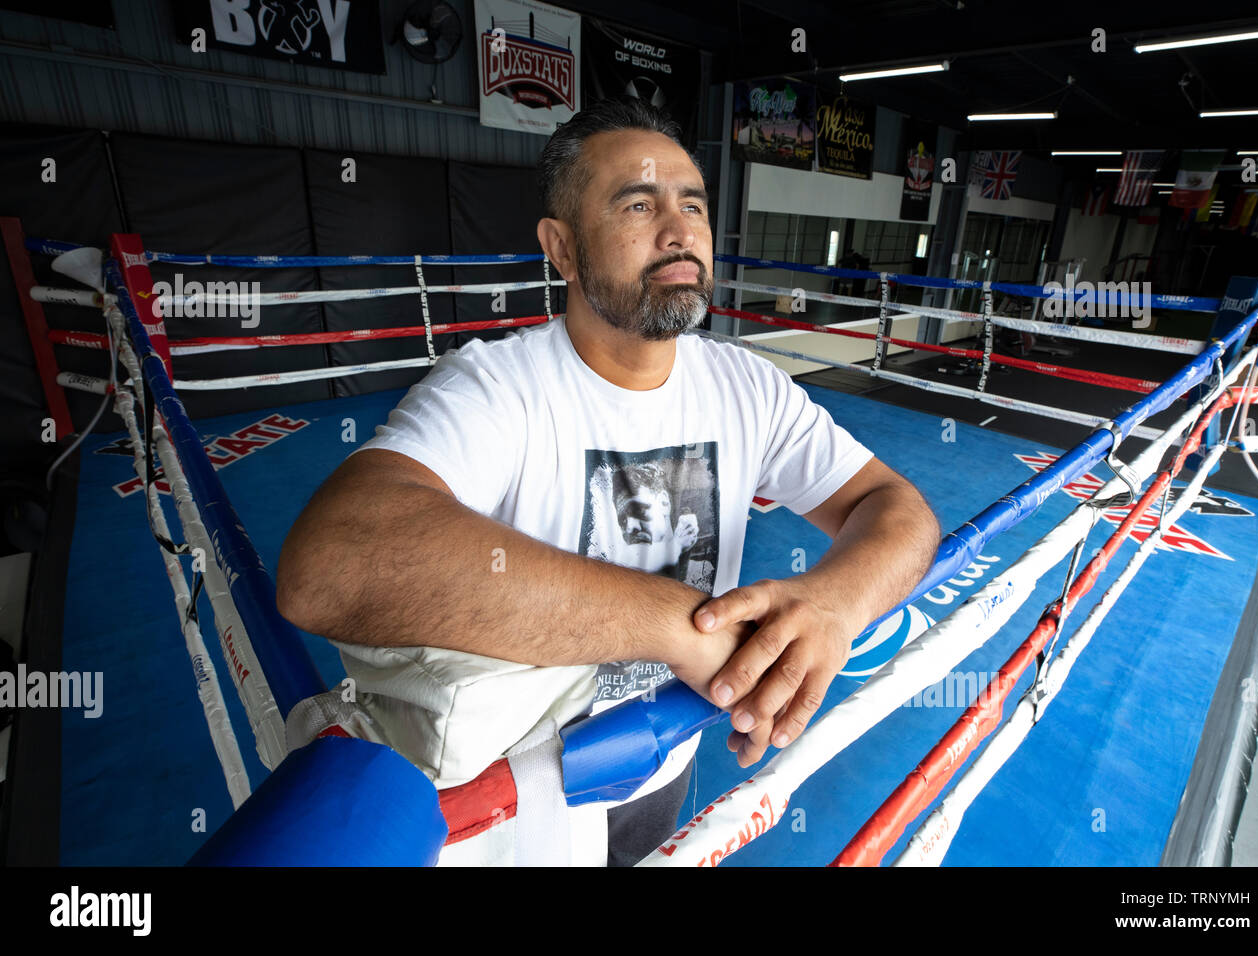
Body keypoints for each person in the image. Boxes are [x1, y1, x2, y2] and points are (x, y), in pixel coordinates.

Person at [275, 96, 941, 866]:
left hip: (663, 755)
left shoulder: (746, 386)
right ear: (561, 248)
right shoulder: (496, 388)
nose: (680, 227)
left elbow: (897, 509)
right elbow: (332, 562)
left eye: (692, 202)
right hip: (520, 796)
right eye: (638, 202)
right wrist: (671, 623)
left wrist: (834, 601)